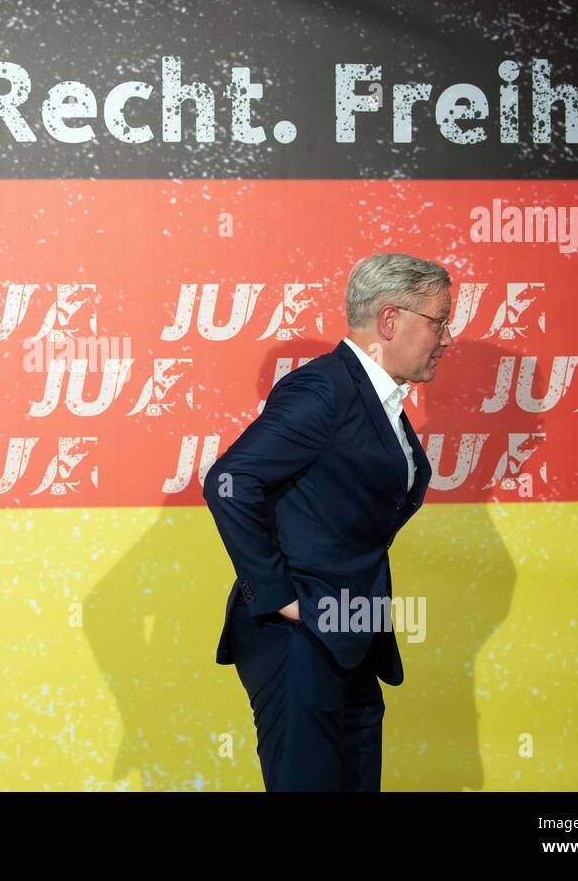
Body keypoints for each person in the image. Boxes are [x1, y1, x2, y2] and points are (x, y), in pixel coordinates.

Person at [202, 252, 453, 790]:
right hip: (300, 639)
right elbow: (229, 481)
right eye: (438, 322)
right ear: (390, 320)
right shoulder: (325, 389)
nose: (446, 339)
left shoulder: (378, 399)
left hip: (351, 632)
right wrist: (278, 595)